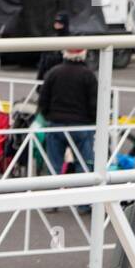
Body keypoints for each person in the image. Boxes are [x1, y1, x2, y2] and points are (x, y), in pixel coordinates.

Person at [38, 47, 99, 178]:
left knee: (54, 168)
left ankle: (53, 195)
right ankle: (81, 196)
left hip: (56, 125)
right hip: (81, 126)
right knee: (83, 167)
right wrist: (92, 121)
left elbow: (43, 101)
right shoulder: (88, 75)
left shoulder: (53, 73)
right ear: (84, 54)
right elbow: (94, 104)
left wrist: (49, 117)